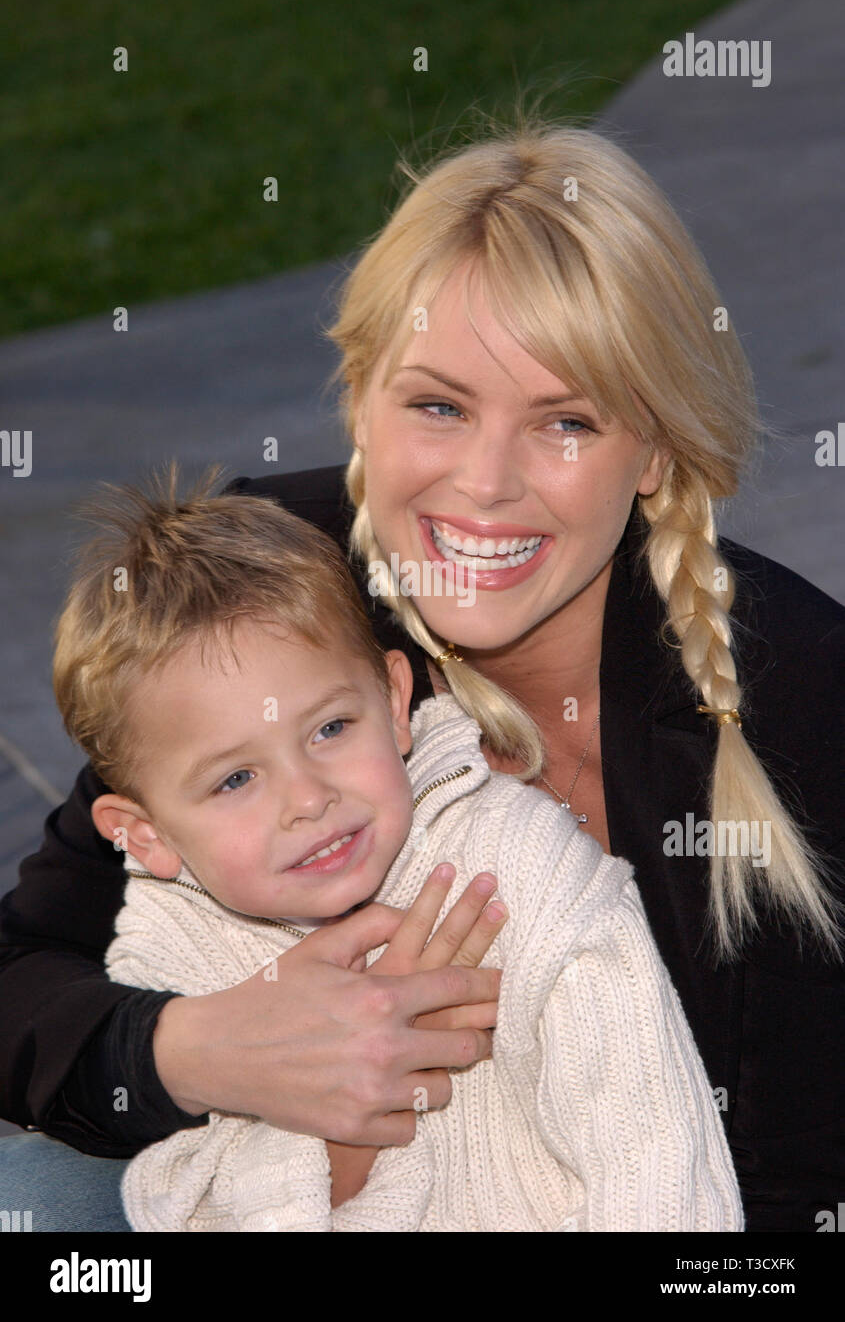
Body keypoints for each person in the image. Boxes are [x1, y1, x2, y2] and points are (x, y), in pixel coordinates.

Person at [1, 119, 842, 1232]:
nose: (482, 484)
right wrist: (203, 1046)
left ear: (652, 450)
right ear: (359, 395)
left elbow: (787, 1192)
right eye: (437, 405)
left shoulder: (795, 699)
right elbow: (25, 971)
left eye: (565, 421)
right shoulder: (277, 581)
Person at [57, 468, 741, 1230]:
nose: (308, 798)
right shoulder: (168, 952)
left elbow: (654, 1160)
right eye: (237, 778)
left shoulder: (524, 869)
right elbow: (186, 1208)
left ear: (392, 701)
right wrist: (336, 1131)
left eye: (328, 730)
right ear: (143, 833)